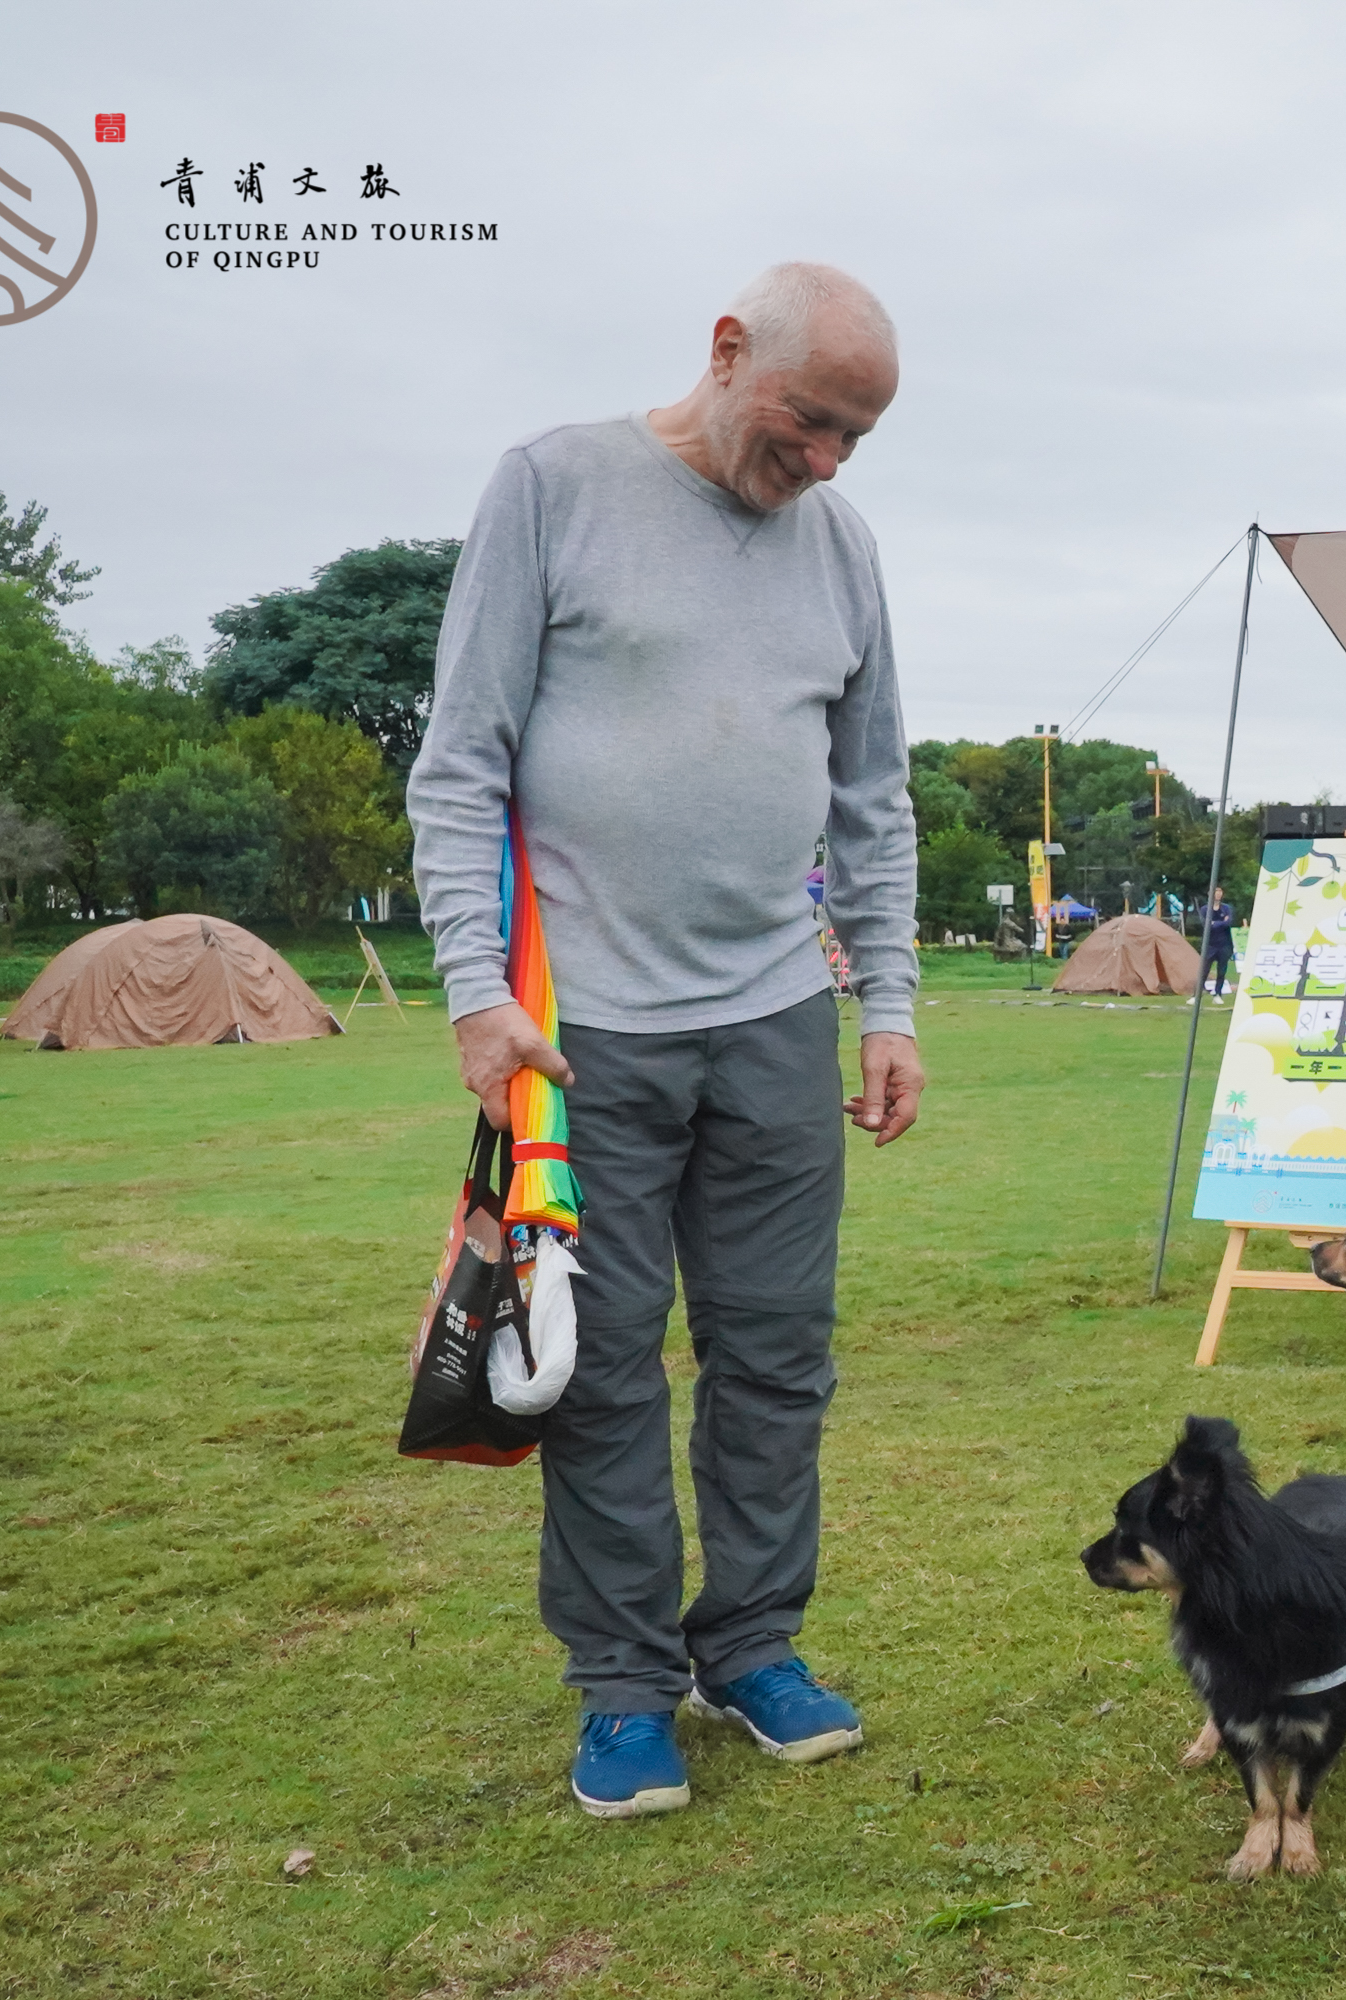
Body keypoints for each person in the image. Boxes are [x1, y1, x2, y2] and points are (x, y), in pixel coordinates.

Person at [408, 261, 925, 1820]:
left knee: (778, 1361)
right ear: (723, 351)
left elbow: (873, 798)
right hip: (583, 1040)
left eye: (858, 436)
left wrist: (887, 1003)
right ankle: (626, 1688)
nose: (826, 461)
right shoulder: (554, 486)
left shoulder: (841, 546)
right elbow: (459, 762)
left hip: (776, 1016)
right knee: (600, 1371)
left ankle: (752, 1646)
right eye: (810, 419)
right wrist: (472, 989)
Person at [1200, 884, 1238, 996]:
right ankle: (1197, 993)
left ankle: (1218, 993)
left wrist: (1215, 923)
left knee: (1222, 971)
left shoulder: (1226, 908)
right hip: (1210, 944)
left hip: (1224, 944)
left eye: (1220, 891)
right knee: (1204, 970)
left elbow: (1229, 922)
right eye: (1215, 891)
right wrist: (1221, 922)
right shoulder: (1205, 909)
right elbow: (1206, 925)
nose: (1218, 894)